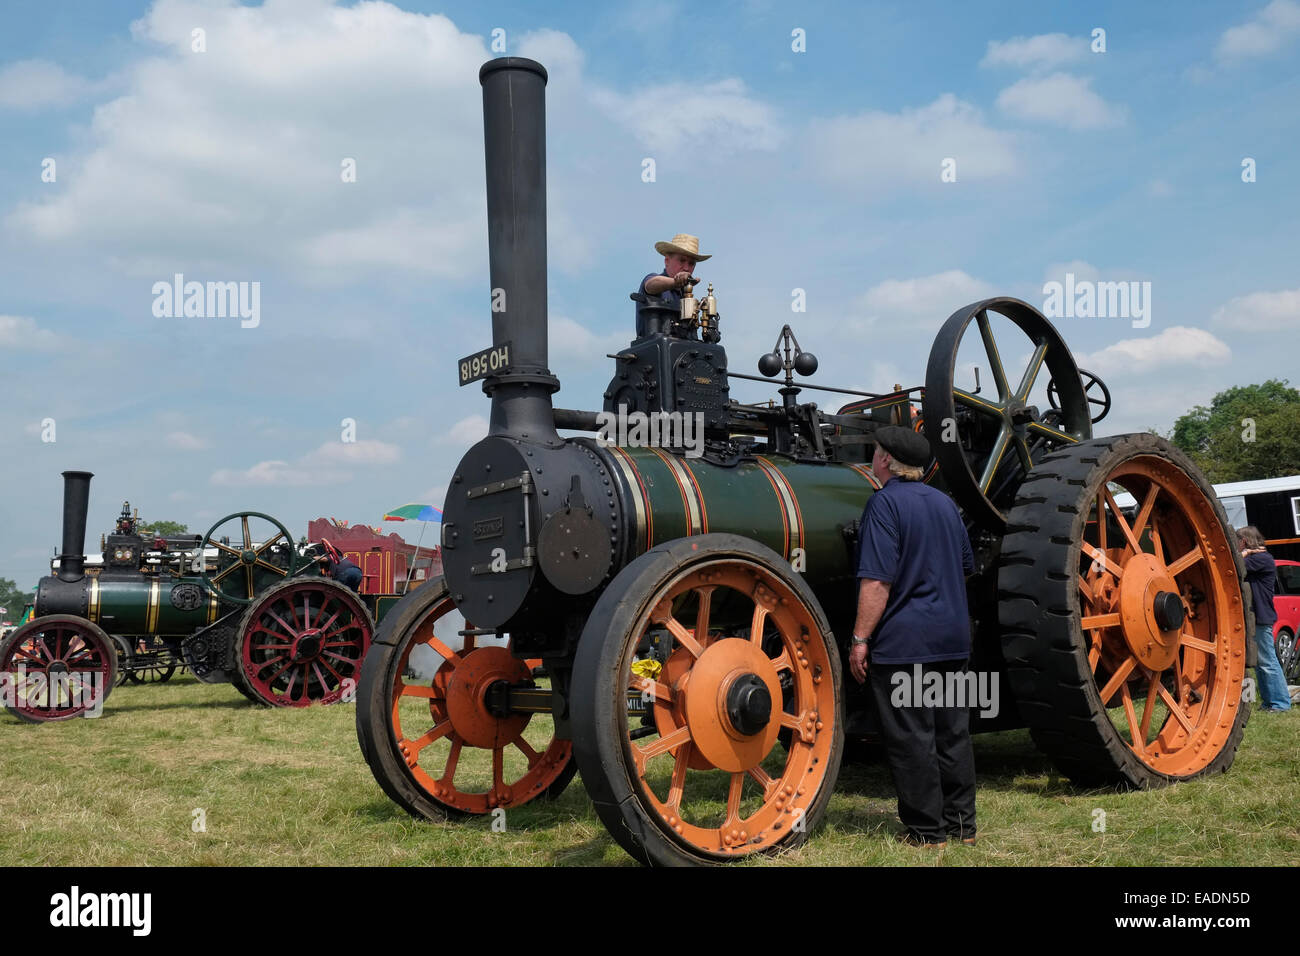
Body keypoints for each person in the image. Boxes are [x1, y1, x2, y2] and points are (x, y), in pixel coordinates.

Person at [849, 424, 977, 849]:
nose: (873, 457)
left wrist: (860, 639)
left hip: (906, 644)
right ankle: (962, 827)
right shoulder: (945, 504)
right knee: (952, 734)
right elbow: (963, 568)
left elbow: (876, 583)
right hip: (953, 639)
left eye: (875, 452)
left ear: (885, 460)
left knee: (912, 738)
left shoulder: (883, 506)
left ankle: (927, 832)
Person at [1237, 526, 1291, 711]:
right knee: (1260, 663)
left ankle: (1280, 703)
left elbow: (1236, 565)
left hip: (1260, 617)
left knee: (1267, 661)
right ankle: (1270, 702)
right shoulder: (1259, 558)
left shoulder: (1260, 559)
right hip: (1256, 618)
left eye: (1238, 542)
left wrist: (1245, 553)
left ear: (1243, 541)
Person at [634, 233, 710, 338]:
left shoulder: (685, 297)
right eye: (682, 260)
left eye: (691, 263)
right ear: (667, 261)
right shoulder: (654, 279)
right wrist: (675, 282)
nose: (687, 268)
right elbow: (650, 285)